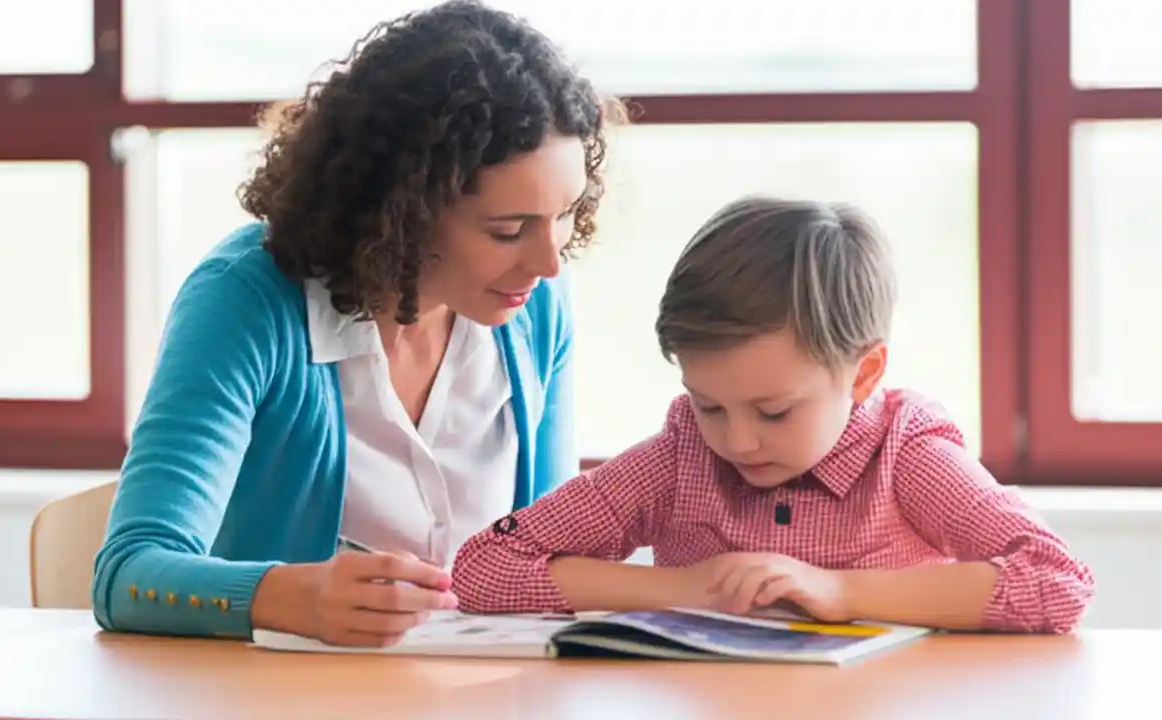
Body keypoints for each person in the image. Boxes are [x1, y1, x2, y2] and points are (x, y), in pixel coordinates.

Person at [92, 0, 617, 646]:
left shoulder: (532, 306)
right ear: (404, 208)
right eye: (507, 230)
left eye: (564, 215)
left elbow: (549, 557)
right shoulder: (247, 302)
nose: (548, 262)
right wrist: (286, 596)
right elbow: (127, 575)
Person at [452, 196, 1096, 634]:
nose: (737, 440)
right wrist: (687, 588)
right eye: (708, 405)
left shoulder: (908, 454)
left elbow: (1057, 582)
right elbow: (484, 569)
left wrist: (839, 592)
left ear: (864, 374)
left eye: (775, 411)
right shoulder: (681, 456)